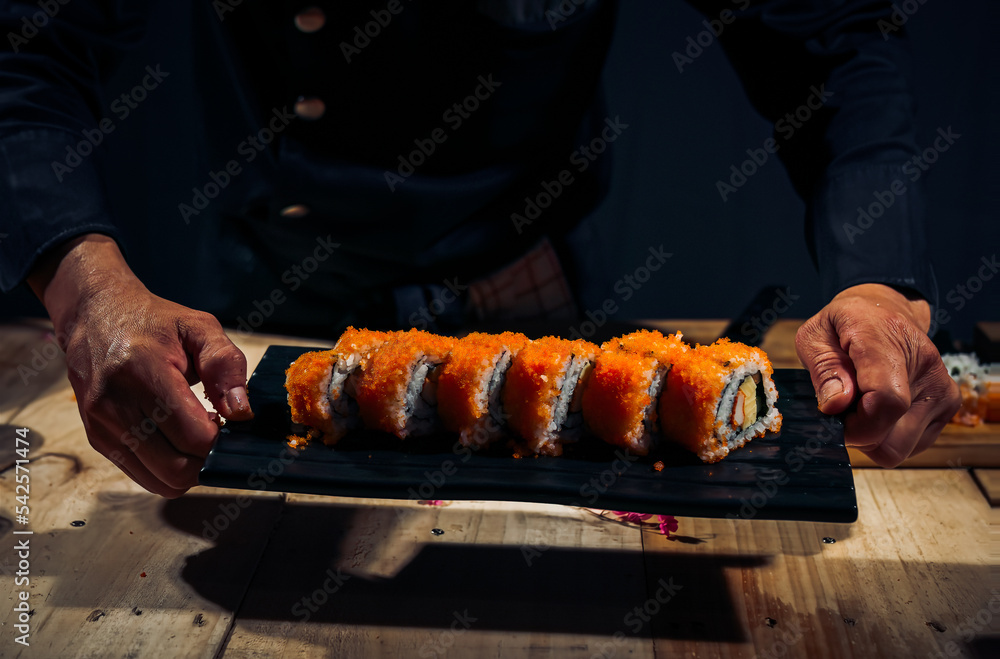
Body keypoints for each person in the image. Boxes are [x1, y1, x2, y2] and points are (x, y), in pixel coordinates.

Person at [1, 0, 960, 497]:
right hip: (277, 309)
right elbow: (24, 42)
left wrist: (881, 281)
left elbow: (832, 40)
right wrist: (85, 287)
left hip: (527, 295)